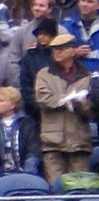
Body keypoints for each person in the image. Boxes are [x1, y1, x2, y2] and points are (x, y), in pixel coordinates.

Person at [33, 31, 96, 179]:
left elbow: (90, 111)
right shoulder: (44, 74)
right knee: (56, 187)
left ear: (73, 51)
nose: (56, 52)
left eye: (61, 49)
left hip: (79, 141)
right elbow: (42, 99)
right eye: (54, 49)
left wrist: (83, 104)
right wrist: (68, 99)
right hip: (52, 142)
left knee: (80, 186)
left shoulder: (87, 76)